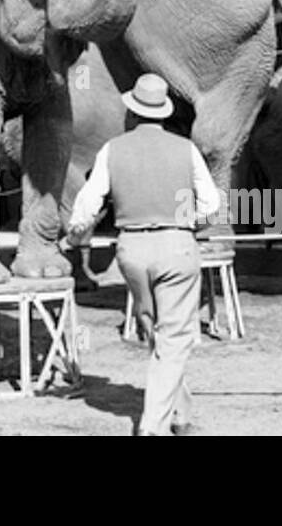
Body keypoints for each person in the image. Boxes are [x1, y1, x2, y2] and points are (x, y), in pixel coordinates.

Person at [67, 73, 220, 437]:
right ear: (164, 113)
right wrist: (189, 225)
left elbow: (88, 203)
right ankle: (153, 426)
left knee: (156, 330)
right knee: (176, 337)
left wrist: (75, 235)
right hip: (177, 246)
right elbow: (212, 205)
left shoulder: (112, 149)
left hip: (131, 249)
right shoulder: (186, 149)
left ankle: (180, 415)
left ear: (132, 113)